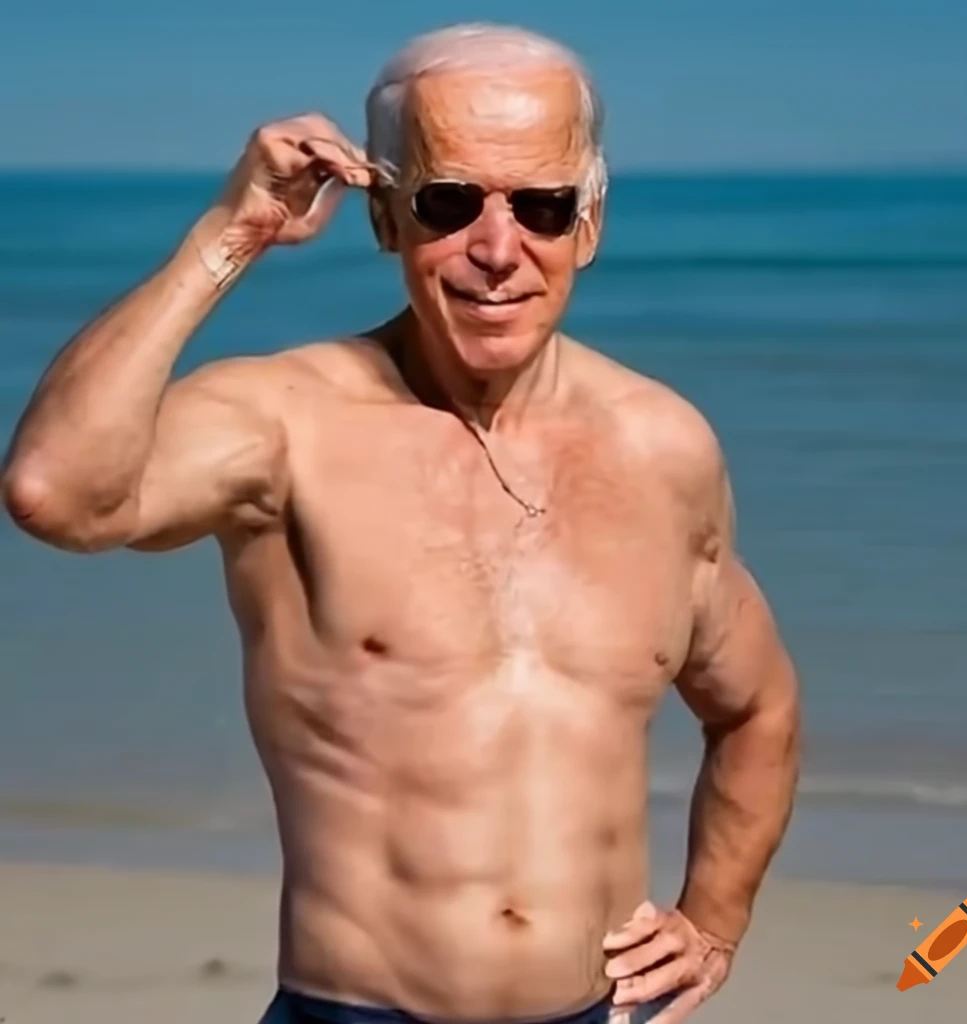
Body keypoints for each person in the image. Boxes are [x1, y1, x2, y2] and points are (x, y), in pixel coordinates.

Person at [0, 22, 800, 1024]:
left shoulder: (662, 447)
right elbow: (58, 492)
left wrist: (712, 921)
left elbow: (755, 708)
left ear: (587, 224)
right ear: (385, 215)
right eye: (450, 202)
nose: (498, 251)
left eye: (542, 206)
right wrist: (227, 238)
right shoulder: (284, 423)